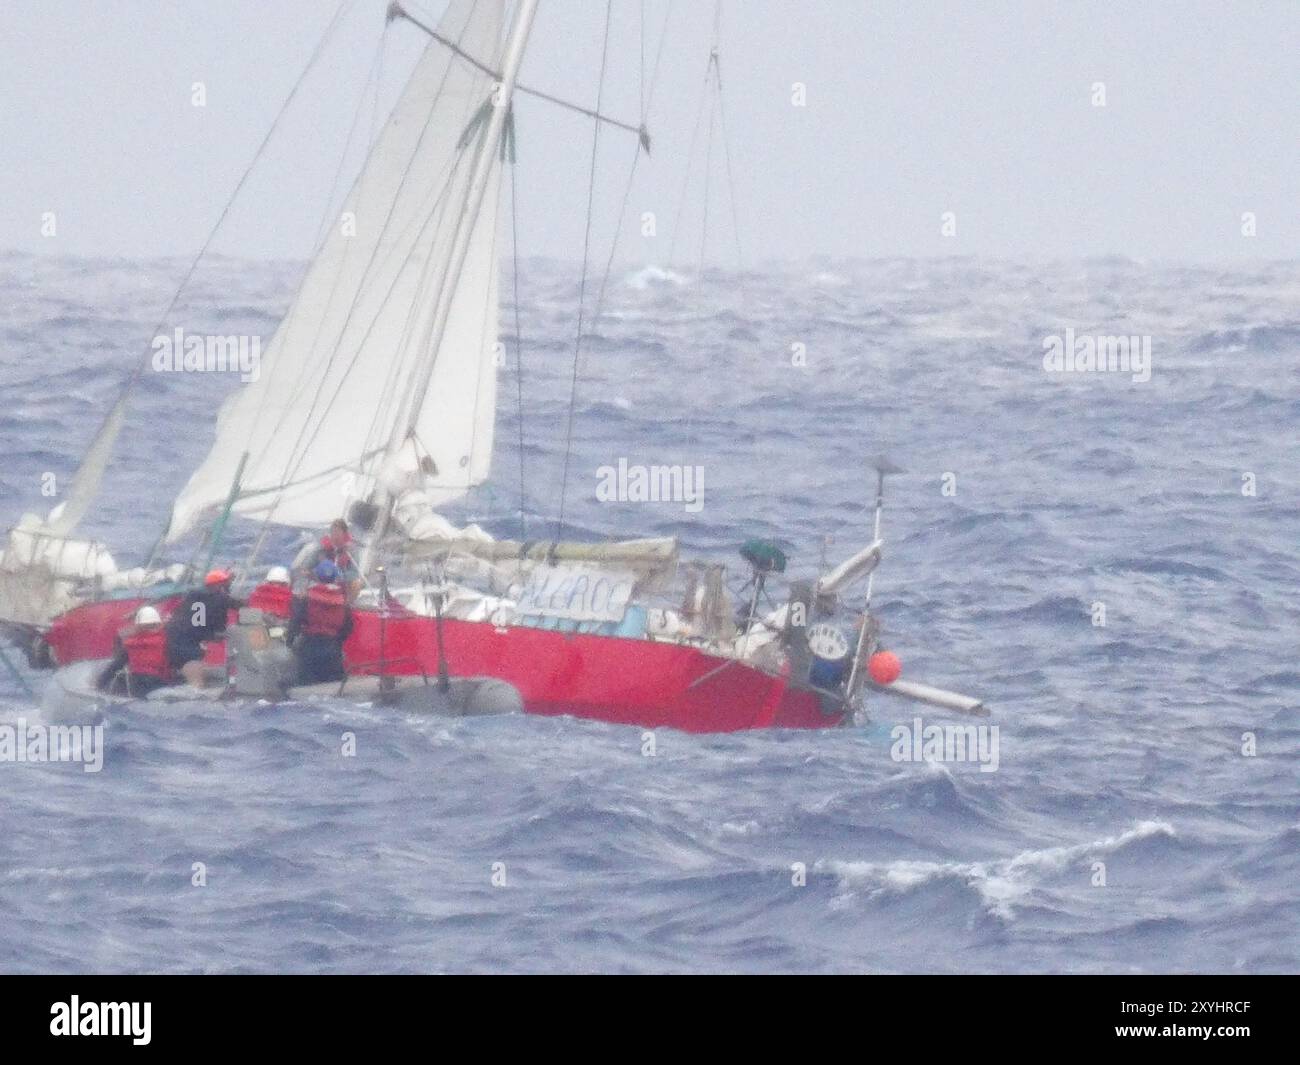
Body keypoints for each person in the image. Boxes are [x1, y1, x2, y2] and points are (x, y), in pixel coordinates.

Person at [166, 568, 243, 686]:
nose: (227, 588)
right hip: (189, 640)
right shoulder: (218, 599)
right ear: (219, 585)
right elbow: (218, 624)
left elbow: (196, 621)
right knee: (193, 660)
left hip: (174, 635)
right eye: (226, 585)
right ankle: (196, 689)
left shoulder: (193, 596)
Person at [287, 560, 354, 684]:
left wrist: (289, 642)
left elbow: (295, 621)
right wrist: (337, 641)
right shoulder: (343, 602)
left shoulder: (306, 598)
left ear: (316, 576)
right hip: (332, 648)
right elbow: (348, 627)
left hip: (310, 646)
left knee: (306, 686)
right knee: (333, 686)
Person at [97, 605, 174, 696]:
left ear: (138, 626)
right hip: (161, 686)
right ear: (159, 624)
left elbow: (114, 667)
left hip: (137, 686)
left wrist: (99, 684)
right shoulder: (167, 641)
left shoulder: (130, 645)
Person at [293, 518, 361, 600]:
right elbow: (306, 567)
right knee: (303, 575)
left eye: (337, 532)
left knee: (356, 583)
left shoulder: (351, 551)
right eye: (333, 532)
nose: (334, 535)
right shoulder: (322, 549)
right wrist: (312, 575)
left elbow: (354, 573)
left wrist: (338, 576)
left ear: (344, 534)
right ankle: (305, 602)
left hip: (341, 582)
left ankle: (347, 607)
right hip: (319, 579)